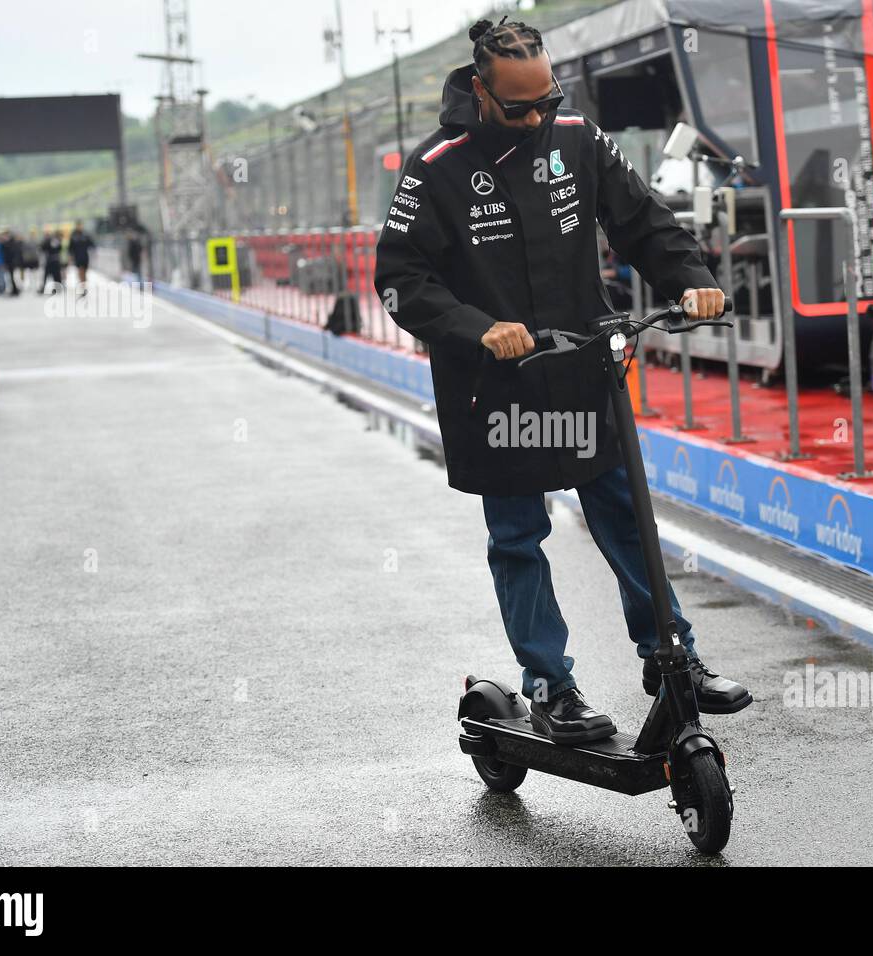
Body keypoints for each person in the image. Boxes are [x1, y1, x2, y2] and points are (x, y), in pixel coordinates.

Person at [374, 17, 751, 745]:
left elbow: (642, 220)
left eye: (547, 99)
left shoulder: (577, 136)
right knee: (519, 537)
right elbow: (399, 278)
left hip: (584, 372)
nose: (537, 116)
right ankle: (550, 686)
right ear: (480, 91)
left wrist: (694, 278)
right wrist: (475, 327)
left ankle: (673, 657)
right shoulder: (435, 167)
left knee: (625, 516)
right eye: (520, 107)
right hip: (496, 387)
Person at [67, 220, 94, 294]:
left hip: (85, 256)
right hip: (77, 257)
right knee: (80, 271)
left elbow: (91, 244)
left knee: (84, 272)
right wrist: (70, 257)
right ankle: (83, 287)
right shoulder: (73, 235)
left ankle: (84, 285)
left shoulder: (85, 234)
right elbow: (70, 248)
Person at [38, 228, 63, 295]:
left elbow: (44, 248)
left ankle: (57, 288)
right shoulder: (52, 240)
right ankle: (46, 288)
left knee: (55, 275)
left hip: (53, 260)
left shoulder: (52, 240)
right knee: (50, 275)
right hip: (51, 260)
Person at [2, 229, 22, 296]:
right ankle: (14, 289)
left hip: (12, 263)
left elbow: (12, 253)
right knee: (12, 277)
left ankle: (15, 290)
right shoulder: (10, 243)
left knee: (14, 277)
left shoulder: (11, 243)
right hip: (11, 263)